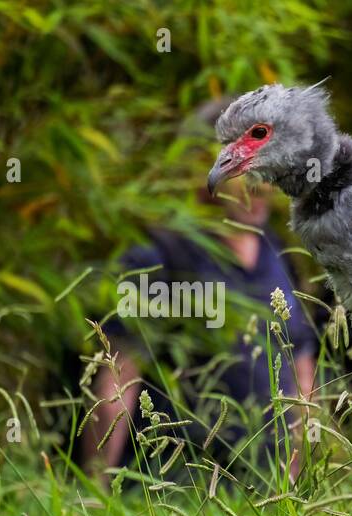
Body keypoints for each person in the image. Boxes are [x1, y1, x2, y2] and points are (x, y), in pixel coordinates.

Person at [82, 100, 318, 487]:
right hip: (168, 496)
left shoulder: (279, 251)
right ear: (200, 164)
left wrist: (296, 478)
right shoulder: (156, 255)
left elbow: (301, 372)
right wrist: (94, 491)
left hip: (264, 501)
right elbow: (117, 379)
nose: (259, 180)